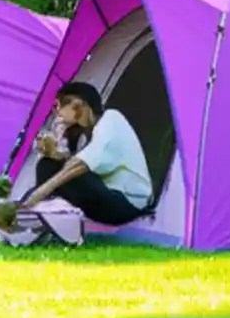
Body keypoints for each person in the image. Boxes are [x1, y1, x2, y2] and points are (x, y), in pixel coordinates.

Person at [22, 81, 151, 225]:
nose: (58, 112)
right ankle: (42, 214)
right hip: (106, 193)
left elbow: (81, 165)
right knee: (47, 163)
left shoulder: (111, 119)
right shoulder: (86, 132)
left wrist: (40, 193)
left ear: (78, 105)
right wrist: (54, 152)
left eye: (61, 105)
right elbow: (82, 165)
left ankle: (34, 209)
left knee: (60, 172)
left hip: (126, 202)